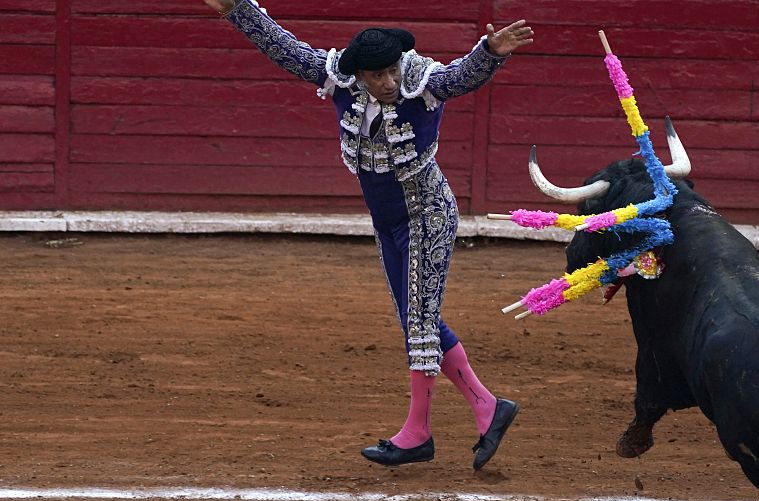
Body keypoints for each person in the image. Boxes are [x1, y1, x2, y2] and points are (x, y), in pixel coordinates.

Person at [203, 0, 532, 470]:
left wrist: (490, 52)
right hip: (389, 223)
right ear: (358, 75)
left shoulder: (422, 83)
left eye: (392, 71)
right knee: (415, 319)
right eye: (377, 76)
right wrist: (237, 9)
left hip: (428, 215)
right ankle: (487, 406)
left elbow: (458, 76)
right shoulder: (339, 79)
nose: (390, 82)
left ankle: (418, 433)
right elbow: (283, 47)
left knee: (419, 322)